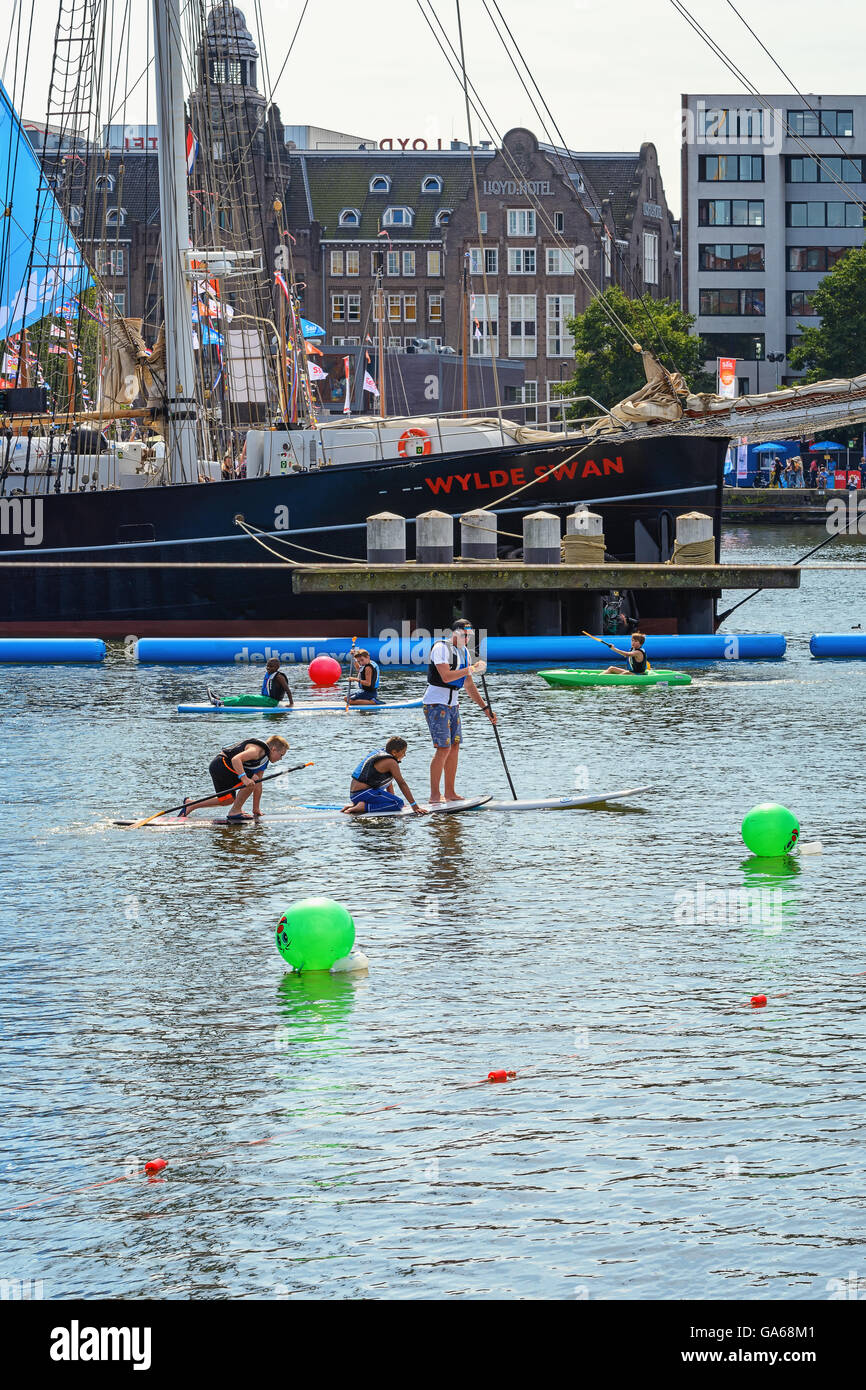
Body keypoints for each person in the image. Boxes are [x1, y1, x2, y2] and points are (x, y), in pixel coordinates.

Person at [422, 619, 496, 804]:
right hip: (435, 704)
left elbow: (469, 685)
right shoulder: (441, 648)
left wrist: (485, 708)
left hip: (453, 705)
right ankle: (434, 796)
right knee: (443, 748)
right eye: (464, 635)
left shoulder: (464, 652)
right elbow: (446, 677)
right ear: (454, 633)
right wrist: (470, 669)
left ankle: (450, 793)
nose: (466, 638)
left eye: (469, 635)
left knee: (454, 747)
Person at [181, 734, 289, 821]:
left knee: (227, 800)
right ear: (274, 749)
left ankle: (191, 804)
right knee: (252, 780)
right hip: (221, 764)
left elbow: (259, 785)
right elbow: (236, 759)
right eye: (281, 755)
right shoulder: (257, 751)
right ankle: (235, 811)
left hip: (224, 767)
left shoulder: (264, 761)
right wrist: (244, 778)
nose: (281, 759)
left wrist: (256, 809)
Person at [342, 736, 427, 815]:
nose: (404, 755)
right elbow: (402, 783)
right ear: (394, 752)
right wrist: (414, 806)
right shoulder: (391, 762)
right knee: (399, 803)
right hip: (364, 793)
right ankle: (363, 807)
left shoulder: (383, 755)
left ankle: (356, 804)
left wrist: (391, 800)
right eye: (403, 752)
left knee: (395, 802)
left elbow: (388, 782)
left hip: (356, 795)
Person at [207, 658, 293, 708]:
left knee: (247, 698)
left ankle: (221, 703)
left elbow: (287, 690)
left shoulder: (279, 677)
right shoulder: (270, 674)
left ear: (277, 667)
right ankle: (219, 699)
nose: (268, 668)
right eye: (267, 666)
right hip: (265, 698)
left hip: (273, 702)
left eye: (270, 667)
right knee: (242, 696)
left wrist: (291, 704)